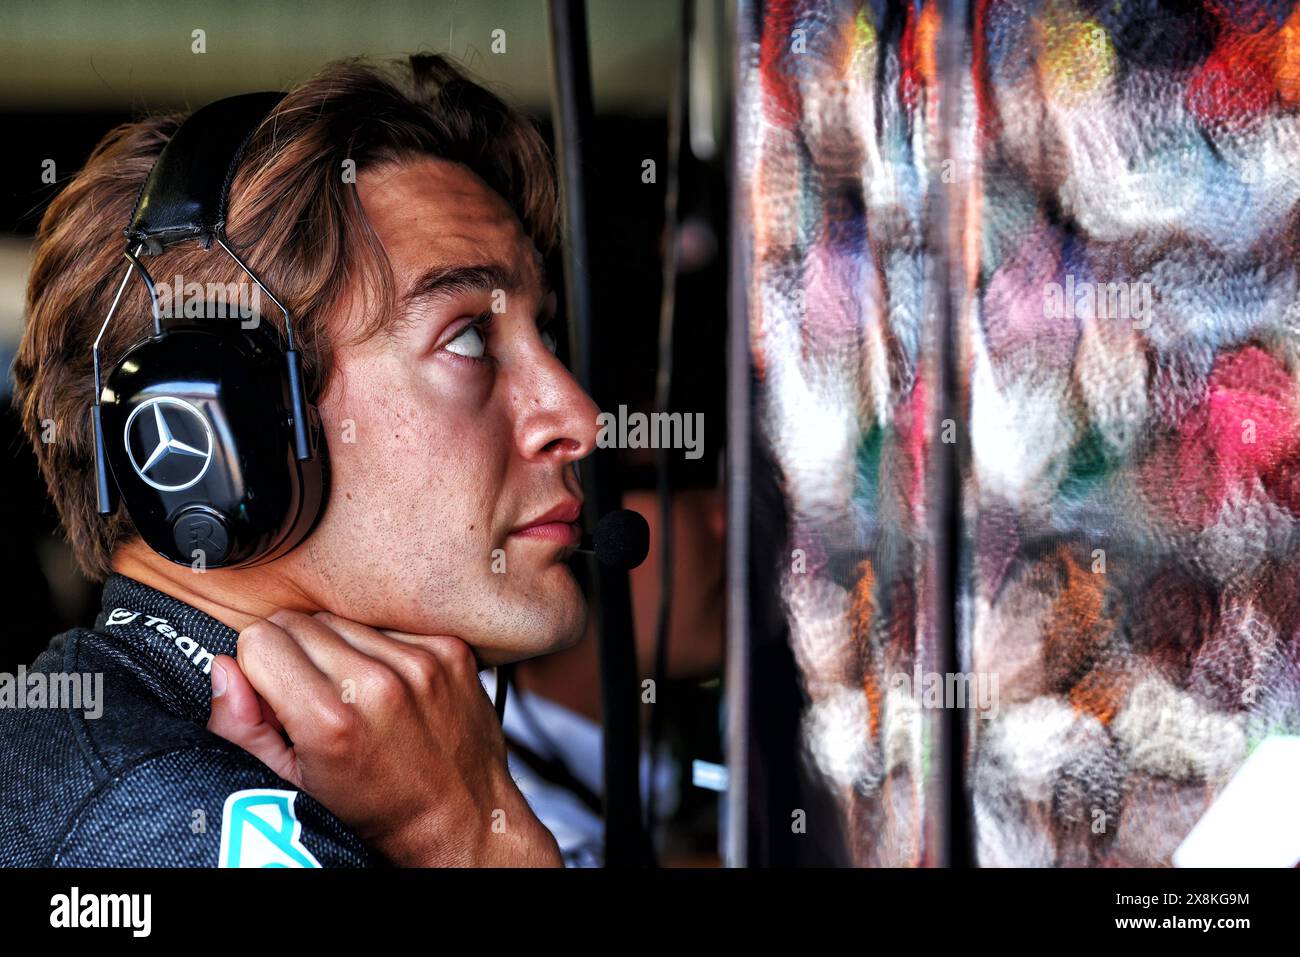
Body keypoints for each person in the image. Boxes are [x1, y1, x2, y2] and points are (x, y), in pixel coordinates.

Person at [1, 53, 598, 867]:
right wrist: (466, 835)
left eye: (546, 336)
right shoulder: (161, 824)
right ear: (228, 428)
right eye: (468, 338)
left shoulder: (155, 765)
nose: (577, 417)